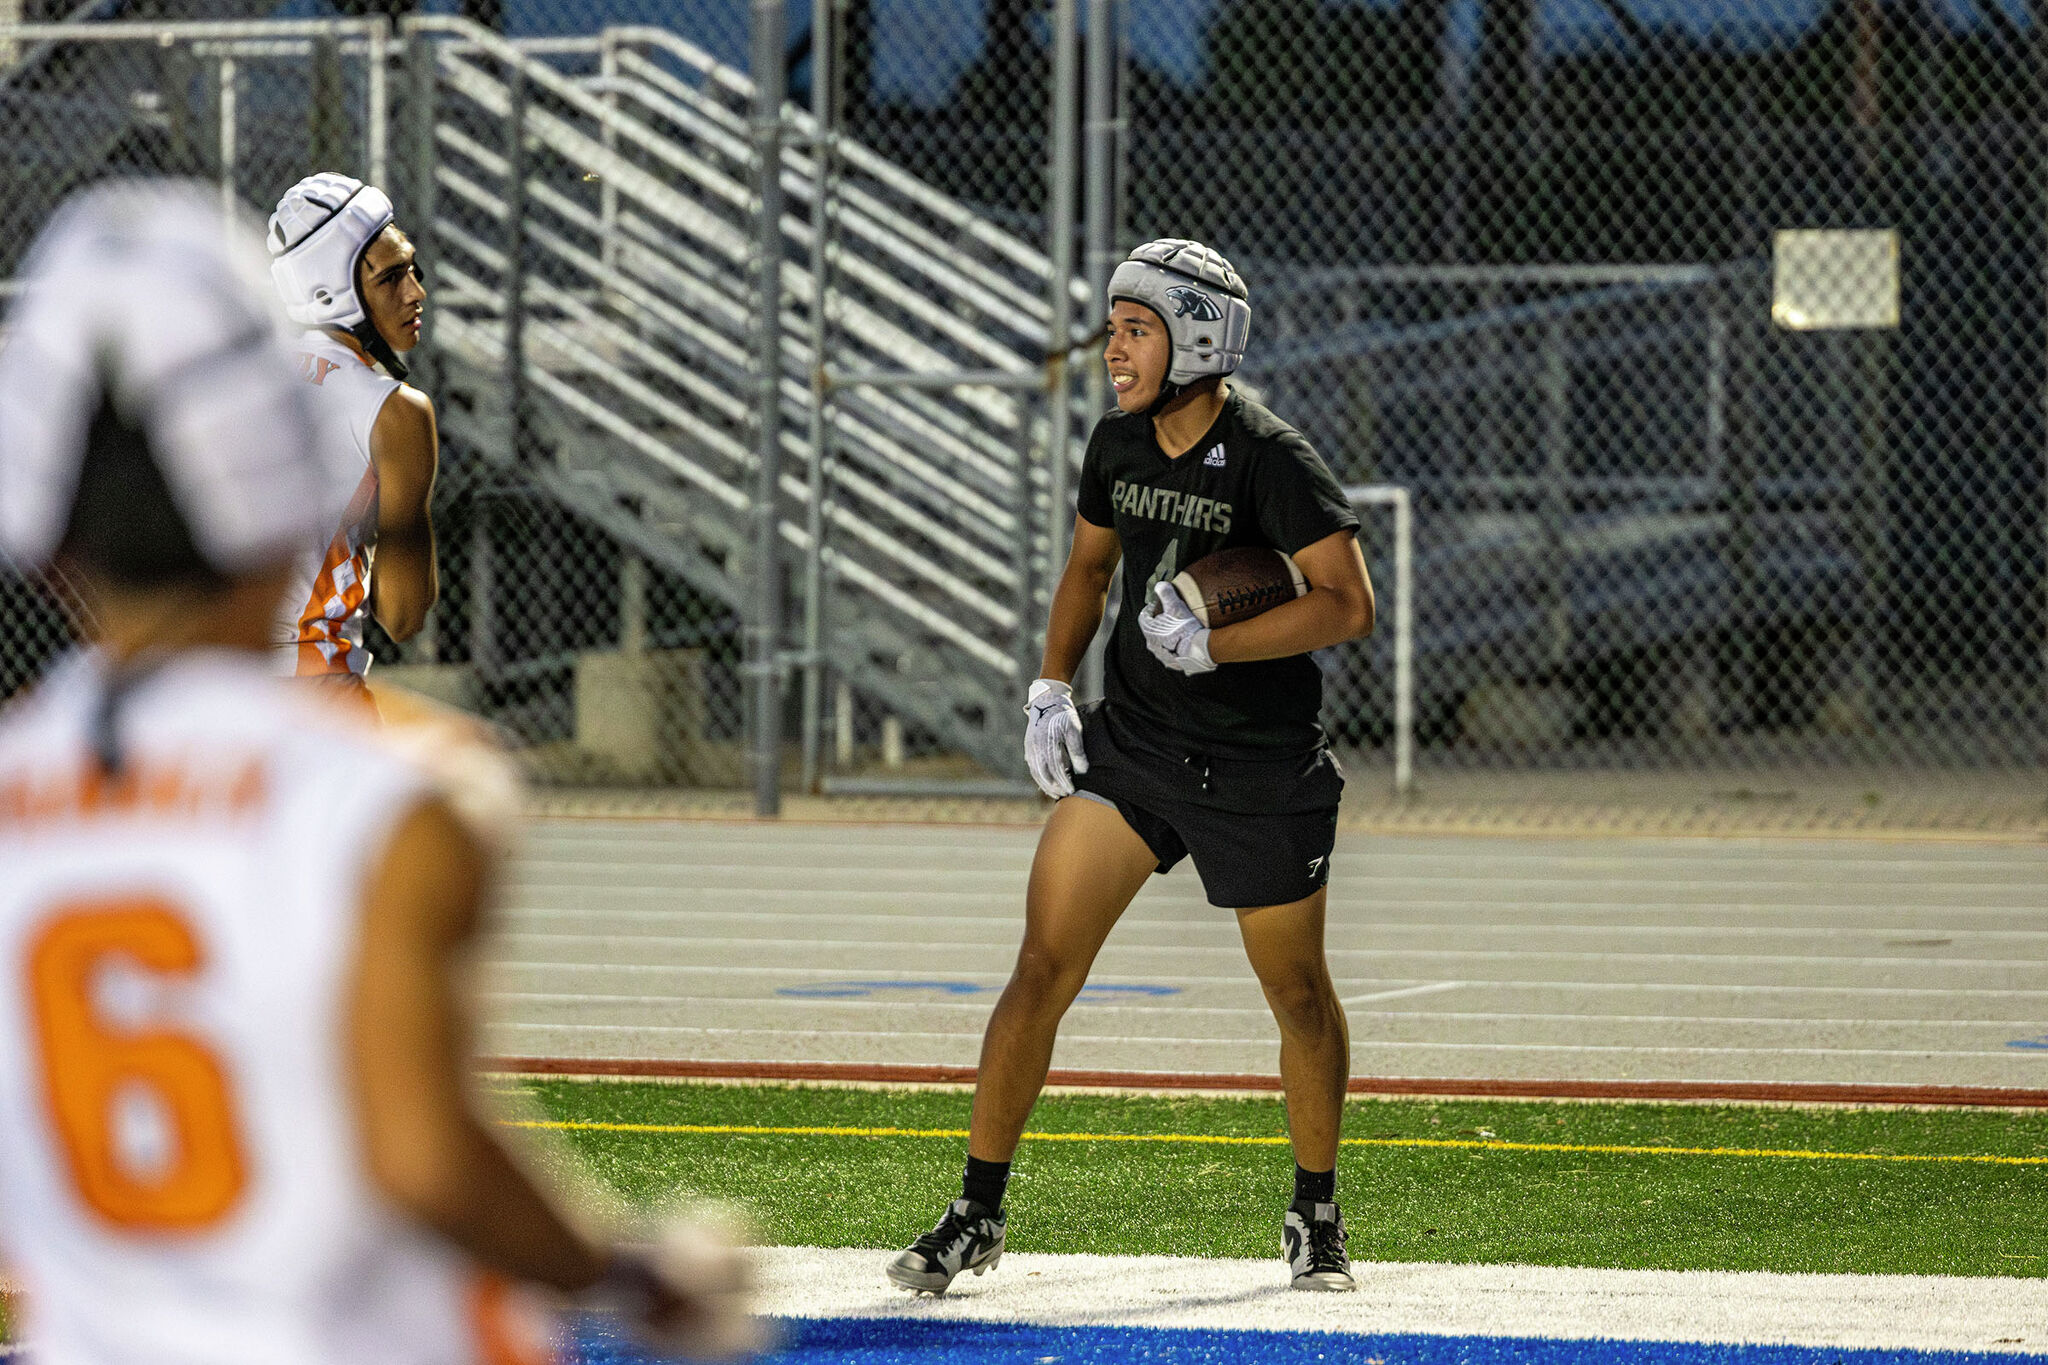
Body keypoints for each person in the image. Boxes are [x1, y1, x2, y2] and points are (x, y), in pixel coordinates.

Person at [0, 181, 756, 1365]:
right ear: (269, 471)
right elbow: (420, 1150)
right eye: (395, 270)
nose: (416, 290)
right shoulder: (410, 792)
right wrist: (638, 1274)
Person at [888, 239, 1375, 1295]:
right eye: (1113, 325)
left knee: (1295, 993)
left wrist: (1222, 643)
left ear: (1195, 336)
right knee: (1039, 966)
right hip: (1140, 747)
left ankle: (1315, 1212)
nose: (1112, 347)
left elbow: (1347, 602)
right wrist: (1050, 686)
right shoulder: (1115, 443)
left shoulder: (1269, 457)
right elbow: (1087, 568)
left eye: (1134, 327)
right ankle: (975, 1210)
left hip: (1256, 762)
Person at [265, 171, 439, 695]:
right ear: (329, 294)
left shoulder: (243, 377)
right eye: (391, 279)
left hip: (210, 698)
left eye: (413, 270)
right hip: (313, 689)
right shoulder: (397, 413)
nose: (416, 293)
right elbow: (403, 615)